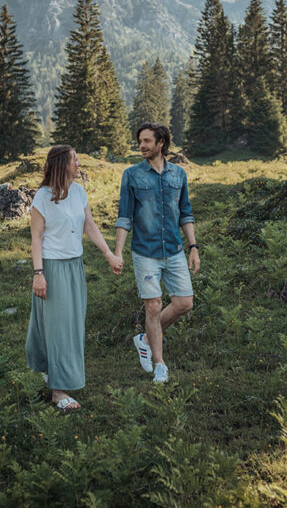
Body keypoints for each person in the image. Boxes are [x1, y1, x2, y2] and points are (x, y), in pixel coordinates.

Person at [27, 145, 123, 410]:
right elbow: (35, 238)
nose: (80, 164)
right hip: (52, 266)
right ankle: (58, 392)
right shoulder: (43, 197)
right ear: (62, 165)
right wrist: (39, 274)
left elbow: (88, 224)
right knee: (60, 329)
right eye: (75, 160)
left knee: (70, 324)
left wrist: (108, 255)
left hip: (74, 266)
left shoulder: (79, 192)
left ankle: (48, 369)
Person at [114, 123, 200, 384]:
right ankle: (159, 364)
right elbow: (124, 217)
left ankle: (145, 338)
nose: (142, 146)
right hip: (145, 252)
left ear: (161, 143)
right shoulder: (132, 175)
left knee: (184, 303)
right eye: (140, 141)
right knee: (153, 305)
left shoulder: (179, 175)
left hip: (173, 250)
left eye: (147, 141)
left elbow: (186, 213)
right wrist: (117, 252)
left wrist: (193, 247)